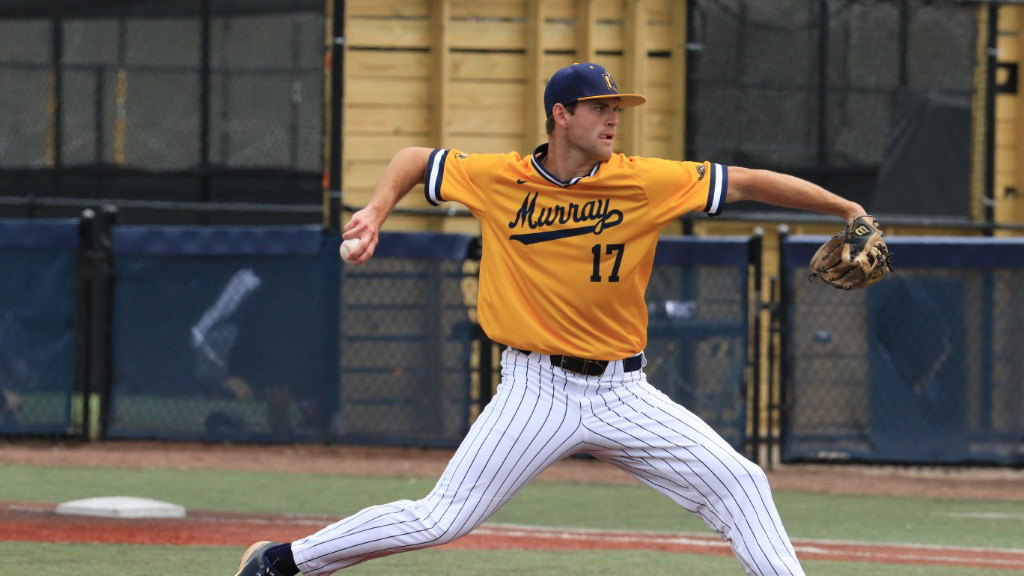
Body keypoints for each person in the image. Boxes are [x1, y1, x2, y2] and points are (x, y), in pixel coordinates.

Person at [236, 62, 867, 576]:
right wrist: (375, 210)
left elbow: (750, 181)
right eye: (598, 106)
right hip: (536, 390)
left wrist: (845, 207)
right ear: (560, 115)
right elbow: (411, 158)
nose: (613, 117)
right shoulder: (499, 178)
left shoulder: (646, 181)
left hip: (624, 391)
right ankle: (281, 564)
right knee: (443, 518)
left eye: (616, 107)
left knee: (742, 483)